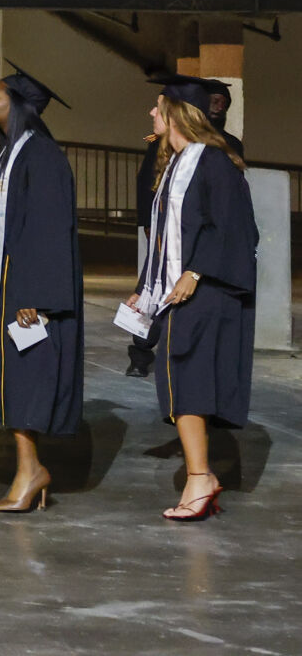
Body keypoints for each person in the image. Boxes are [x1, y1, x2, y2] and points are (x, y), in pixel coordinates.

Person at [128, 76, 257, 521]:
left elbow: (236, 231)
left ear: (177, 113)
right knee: (179, 381)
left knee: (189, 382)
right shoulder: (177, 166)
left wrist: (195, 271)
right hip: (178, 291)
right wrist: (147, 286)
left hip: (205, 292)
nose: (150, 114)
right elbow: (166, 239)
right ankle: (201, 476)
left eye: (157, 106)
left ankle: (201, 477)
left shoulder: (215, 164)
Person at [0, 65, 82, 514]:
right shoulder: (9, 153)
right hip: (4, 289)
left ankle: (30, 471)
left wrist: (35, 297)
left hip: (27, 296)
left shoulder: (41, 156)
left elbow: (50, 231)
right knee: (11, 380)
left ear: (17, 104)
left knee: (27, 380)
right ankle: (28, 469)